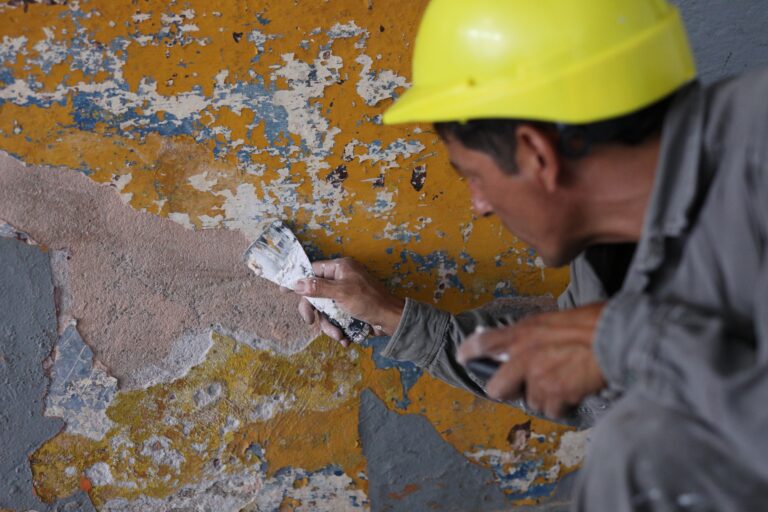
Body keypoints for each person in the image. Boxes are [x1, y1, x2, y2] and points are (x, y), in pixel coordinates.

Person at [289, 0, 768, 509]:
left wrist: (631, 339)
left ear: (537, 154)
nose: (479, 207)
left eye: (472, 177)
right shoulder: (610, 255)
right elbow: (575, 368)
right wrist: (393, 317)